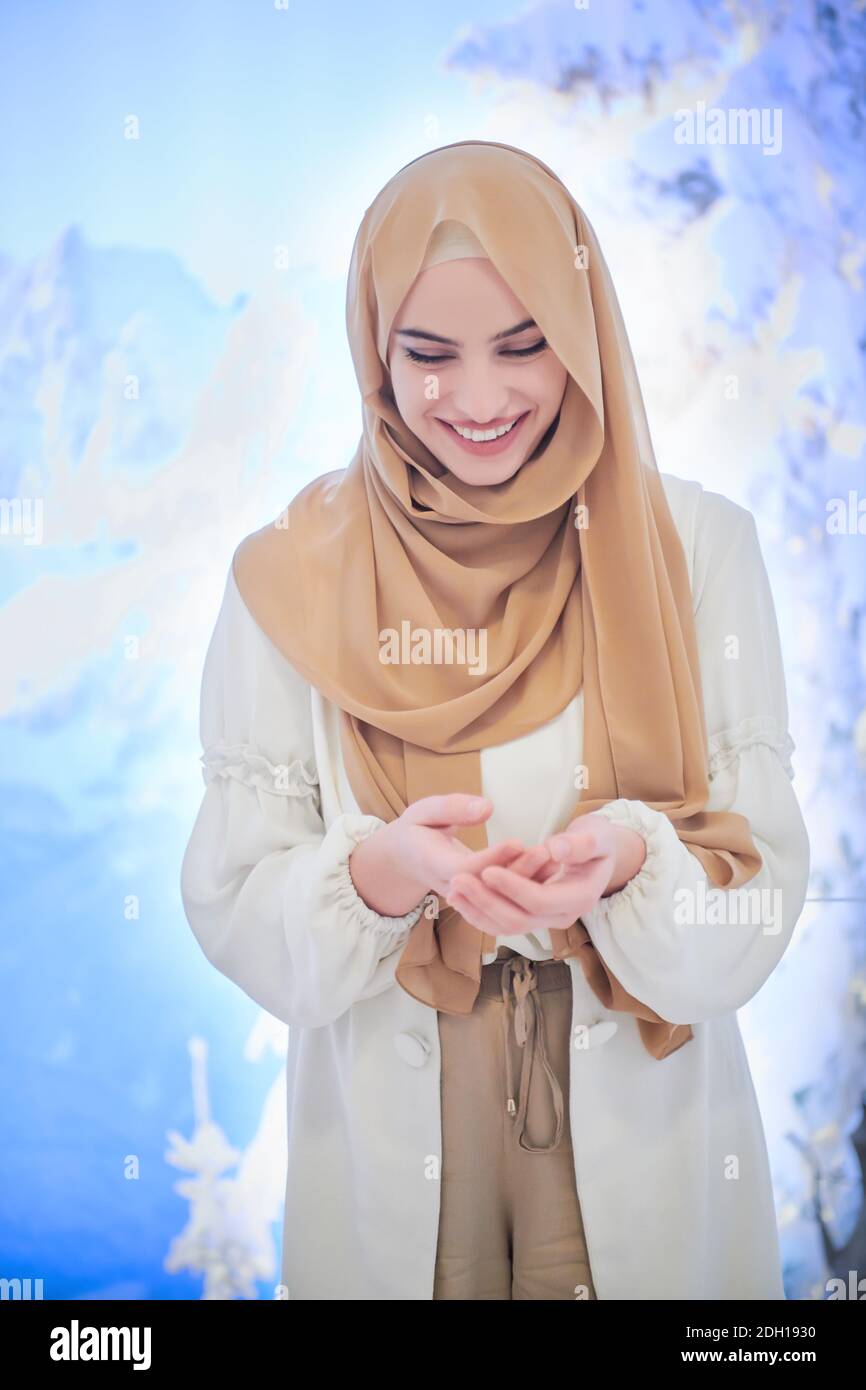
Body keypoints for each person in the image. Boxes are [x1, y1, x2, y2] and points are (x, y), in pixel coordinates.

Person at [180, 140, 810, 1300]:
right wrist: (373, 875)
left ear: (582, 332)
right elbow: (237, 904)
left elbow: (756, 898)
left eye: (525, 347)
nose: (478, 401)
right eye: (427, 354)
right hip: (390, 1151)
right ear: (374, 351)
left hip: (643, 1134)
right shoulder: (285, 579)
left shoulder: (694, 551)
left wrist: (629, 862)